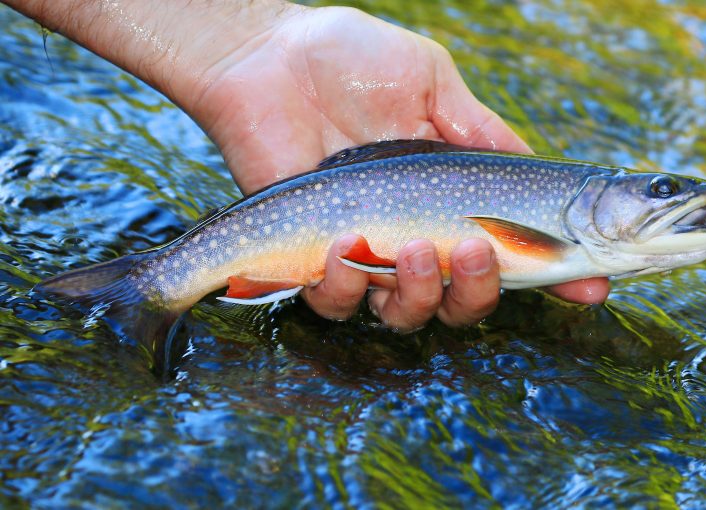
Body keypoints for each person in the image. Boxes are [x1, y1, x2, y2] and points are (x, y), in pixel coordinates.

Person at [3, 1, 609, 331]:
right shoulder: (565, 219)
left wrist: (241, 42)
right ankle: (152, 289)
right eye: (654, 190)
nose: (658, 199)